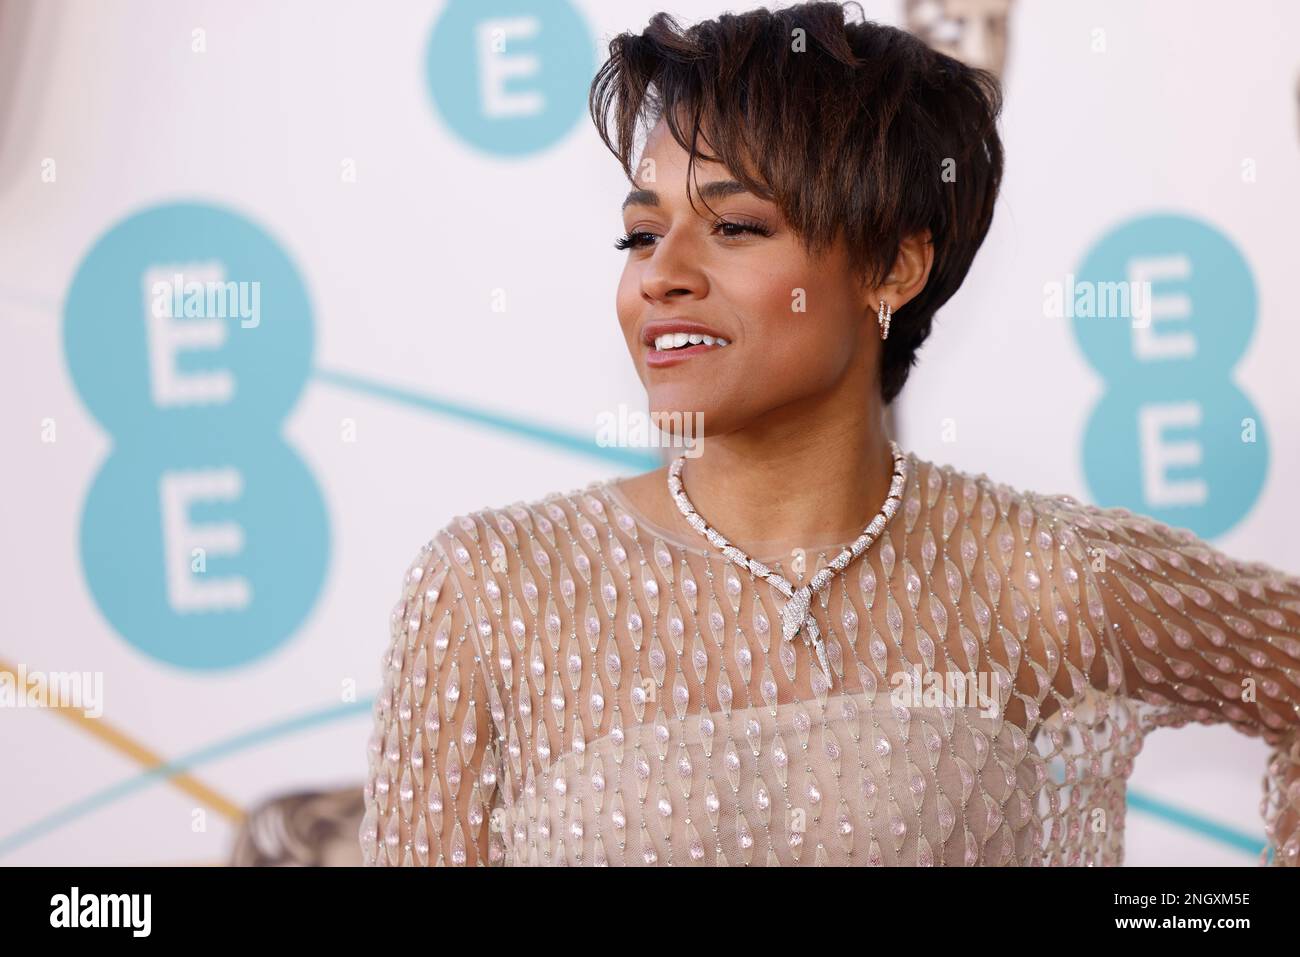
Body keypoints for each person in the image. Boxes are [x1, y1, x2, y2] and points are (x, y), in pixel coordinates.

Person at [360, 1, 1300, 866]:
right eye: (641, 236)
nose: (662, 275)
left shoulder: (1045, 578)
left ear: (892, 266)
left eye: (733, 226)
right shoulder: (487, 594)